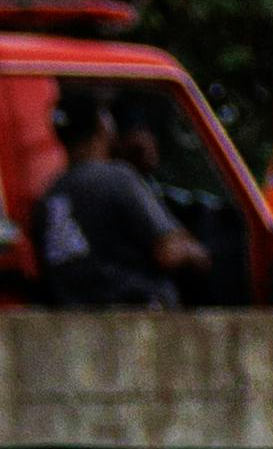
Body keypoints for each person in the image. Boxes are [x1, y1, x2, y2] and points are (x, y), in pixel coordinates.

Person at [31, 82, 201, 308]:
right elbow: (169, 252)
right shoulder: (116, 177)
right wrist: (197, 252)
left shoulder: (48, 198)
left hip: (74, 327)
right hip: (139, 319)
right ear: (103, 124)